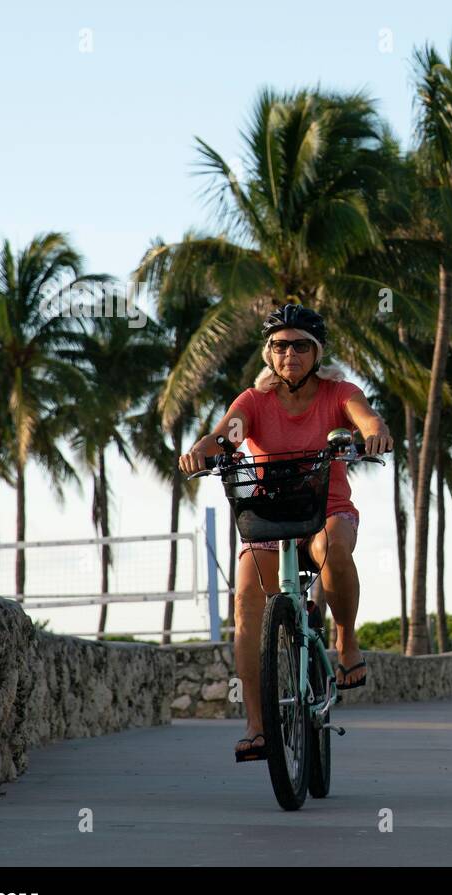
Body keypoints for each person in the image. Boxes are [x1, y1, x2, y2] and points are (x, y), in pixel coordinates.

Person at [178, 304, 393, 762]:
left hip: (326, 510)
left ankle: (346, 639)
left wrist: (374, 435)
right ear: (268, 354)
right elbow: (225, 436)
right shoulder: (253, 402)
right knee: (245, 601)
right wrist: (200, 451)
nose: (288, 353)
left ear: (316, 352)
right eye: (279, 345)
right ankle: (257, 725)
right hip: (269, 516)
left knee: (334, 547)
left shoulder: (339, 392)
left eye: (299, 345)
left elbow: (368, 419)